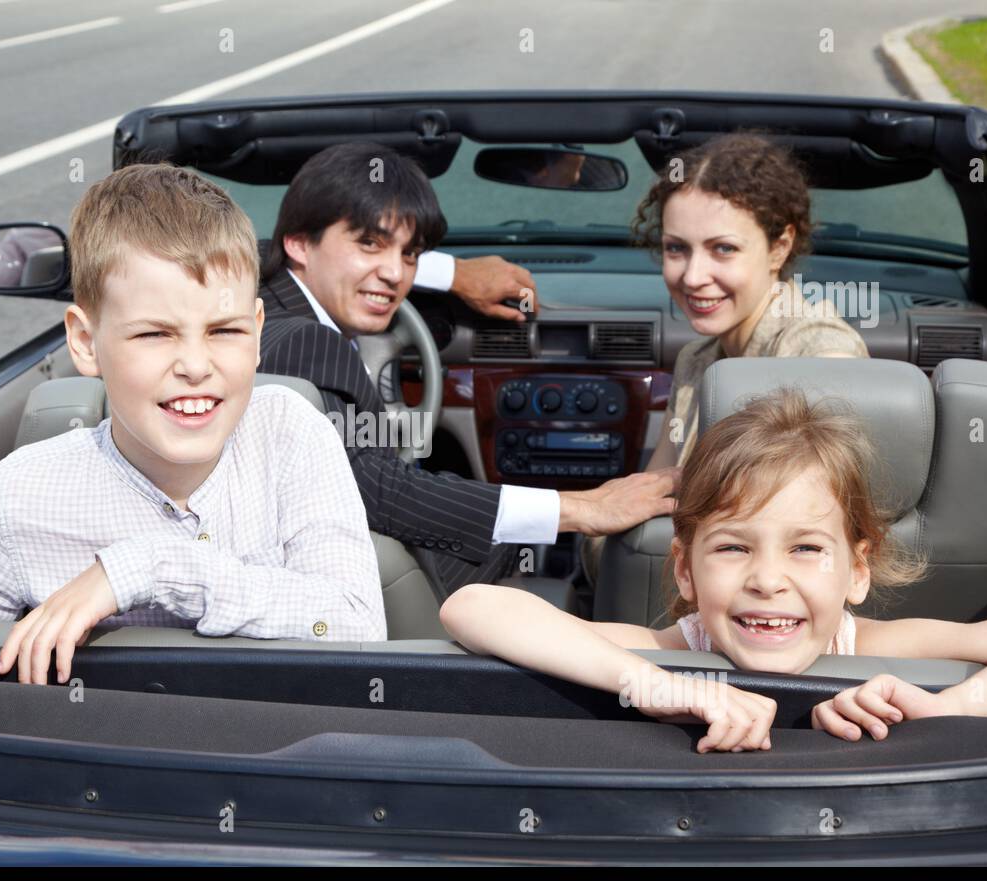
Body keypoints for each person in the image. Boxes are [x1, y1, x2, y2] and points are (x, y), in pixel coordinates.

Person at [0, 163, 386, 684]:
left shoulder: (291, 433)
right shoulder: (20, 494)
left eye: (224, 331)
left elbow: (357, 622)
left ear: (257, 334)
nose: (197, 366)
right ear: (85, 343)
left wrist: (148, 569)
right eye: (155, 334)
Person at [441, 388, 987, 753]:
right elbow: (470, 607)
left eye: (804, 549)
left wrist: (956, 705)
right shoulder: (665, 650)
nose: (767, 580)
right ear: (686, 572)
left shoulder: (885, 647)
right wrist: (661, 685)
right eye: (732, 548)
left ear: (857, 572)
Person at [256, 141, 679, 599]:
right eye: (369, 244)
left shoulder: (253, 289)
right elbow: (378, 490)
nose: (395, 275)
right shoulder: (305, 339)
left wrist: (453, 273)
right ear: (298, 242)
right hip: (335, 585)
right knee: (530, 575)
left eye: (410, 255)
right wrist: (581, 508)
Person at [580, 132, 869, 587]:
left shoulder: (817, 347)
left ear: (779, 247)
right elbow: (653, 488)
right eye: (676, 248)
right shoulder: (697, 360)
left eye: (723, 249)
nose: (693, 276)